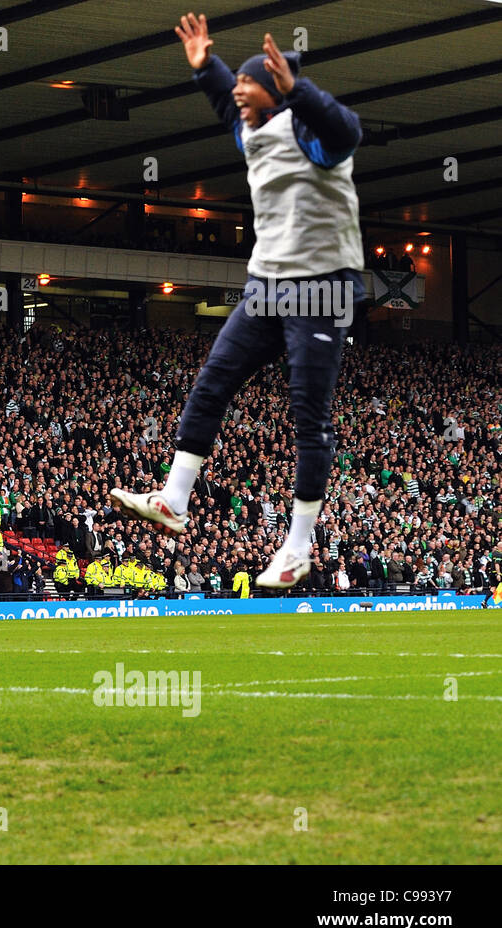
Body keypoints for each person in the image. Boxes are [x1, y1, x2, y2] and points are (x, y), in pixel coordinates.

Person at [110, 13, 365, 590]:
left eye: (247, 93)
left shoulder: (314, 135)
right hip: (269, 285)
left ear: (277, 95)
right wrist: (205, 66)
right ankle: (174, 499)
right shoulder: (250, 127)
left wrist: (300, 90)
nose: (237, 102)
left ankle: (298, 547)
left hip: (321, 286)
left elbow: (349, 130)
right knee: (212, 381)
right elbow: (228, 98)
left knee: (308, 414)